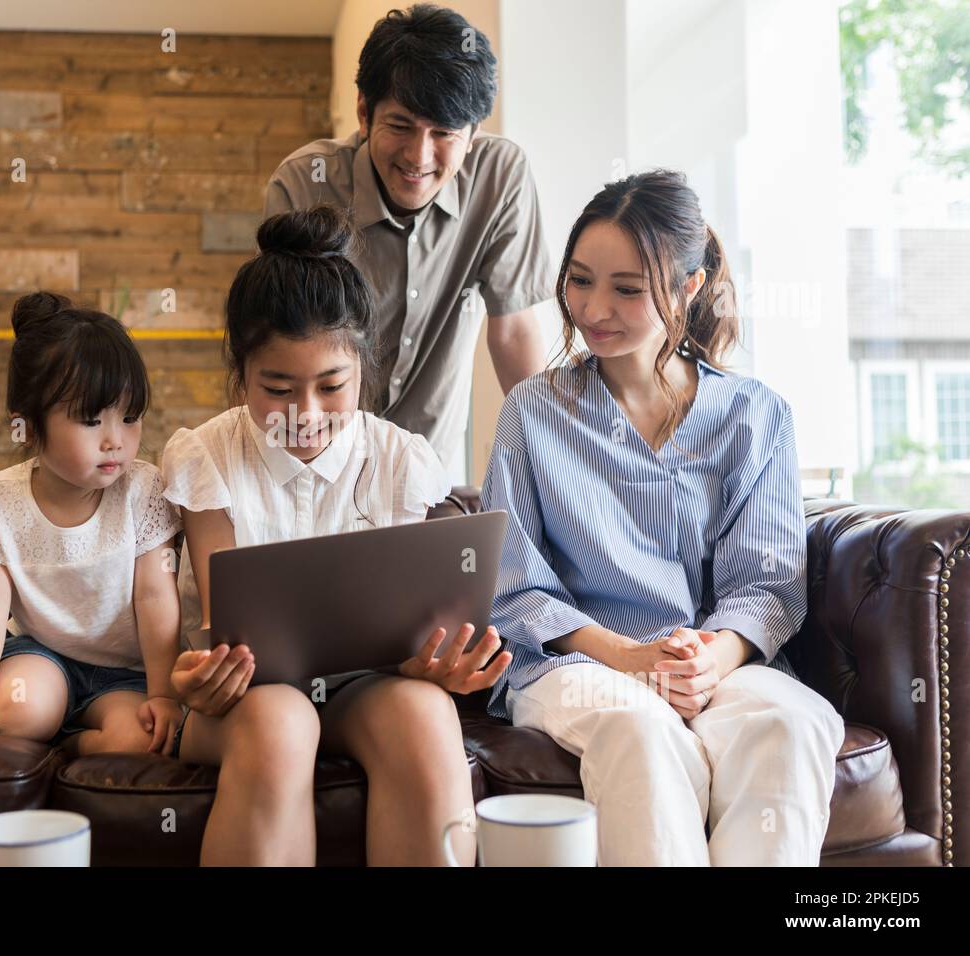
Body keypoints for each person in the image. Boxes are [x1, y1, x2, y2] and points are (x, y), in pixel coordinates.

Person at [482, 170, 846, 865]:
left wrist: (710, 660)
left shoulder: (754, 415)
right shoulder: (531, 412)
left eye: (627, 289)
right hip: (578, 664)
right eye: (580, 280)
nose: (594, 308)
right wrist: (630, 658)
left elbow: (767, 585)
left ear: (687, 288)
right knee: (639, 728)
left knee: (791, 725)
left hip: (712, 659)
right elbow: (514, 588)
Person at [160, 204, 510, 865]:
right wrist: (198, 677)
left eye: (331, 386)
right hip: (244, 698)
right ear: (239, 373)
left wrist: (432, 661)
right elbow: (231, 630)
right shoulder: (207, 458)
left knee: (424, 713)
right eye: (278, 388)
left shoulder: (401, 459)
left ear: (364, 371)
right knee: (281, 720)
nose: (306, 414)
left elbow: (404, 636)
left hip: (363, 689)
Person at [264, 3, 551, 473]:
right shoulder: (304, 184)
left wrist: (550, 456)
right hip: (314, 459)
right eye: (400, 126)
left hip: (427, 468)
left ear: (474, 133)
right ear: (363, 111)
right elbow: (283, 341)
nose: (419, 156)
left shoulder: (501, 177)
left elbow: (515, 330)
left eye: (443, 133)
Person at [0, 292, 184, 758]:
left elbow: (154, 596)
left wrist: (164, 695)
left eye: (129, 418)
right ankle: (40, 725)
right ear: (29, 427)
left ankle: (66, 744)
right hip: (38, 657)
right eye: (91, 420)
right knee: (18, 713)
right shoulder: (0, 498)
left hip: (123, 675)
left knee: (141, 740)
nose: (115, 441)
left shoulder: (143, 491)